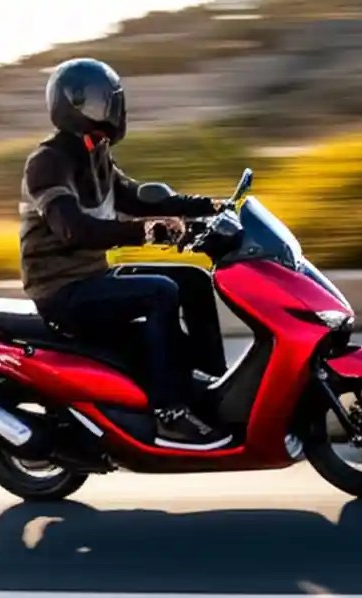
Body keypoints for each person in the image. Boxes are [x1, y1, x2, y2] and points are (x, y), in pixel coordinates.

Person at [18, 57, 230, 449]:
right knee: (160, 292)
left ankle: (210, 383)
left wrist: (210, 206)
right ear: (75, 104)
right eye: (103, 100)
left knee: (192, 279)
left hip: (91, 278)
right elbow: (74, 230)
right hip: (61, 292)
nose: (113, 108)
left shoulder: (95, 155)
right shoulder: (48, 162)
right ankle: (169, 411)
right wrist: (145, 232)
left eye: (111, 99)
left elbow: (135, 197)